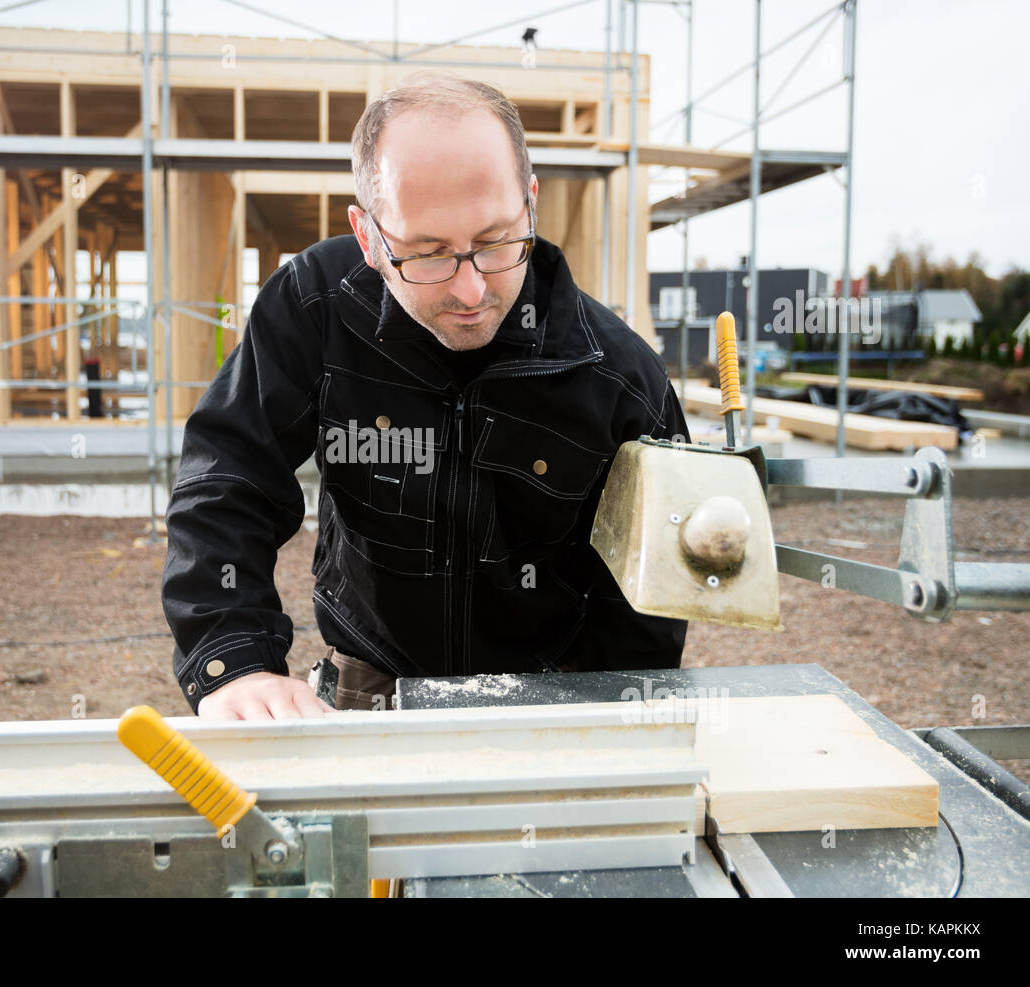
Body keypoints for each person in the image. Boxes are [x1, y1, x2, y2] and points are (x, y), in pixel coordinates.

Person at [162, 71, 690, 721]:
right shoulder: (316, 307)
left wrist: (608, 724)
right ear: (369, 238)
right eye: (428, 253)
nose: (471, 291)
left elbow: (648, 598)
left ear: (530, 203)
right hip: (367, 689)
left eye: (495, 242)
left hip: (553, 699)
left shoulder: (619, 375)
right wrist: (233, 659)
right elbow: (230, 473)